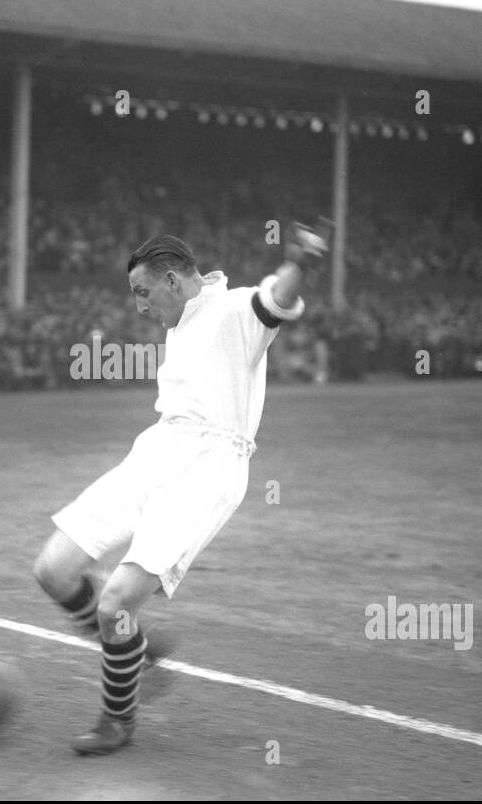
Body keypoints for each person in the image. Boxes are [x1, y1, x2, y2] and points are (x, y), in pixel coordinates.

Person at [33, 226, 326, 755]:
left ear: (171, 281)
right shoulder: (181, 317)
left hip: (212, 466)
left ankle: (116, 718)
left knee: (116, 603)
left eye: (142, 293)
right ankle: (138, 653)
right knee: (52, 569)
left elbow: (275, 300)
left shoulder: (236, 312)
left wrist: (301, 263)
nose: (139, 307)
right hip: (159, 448)